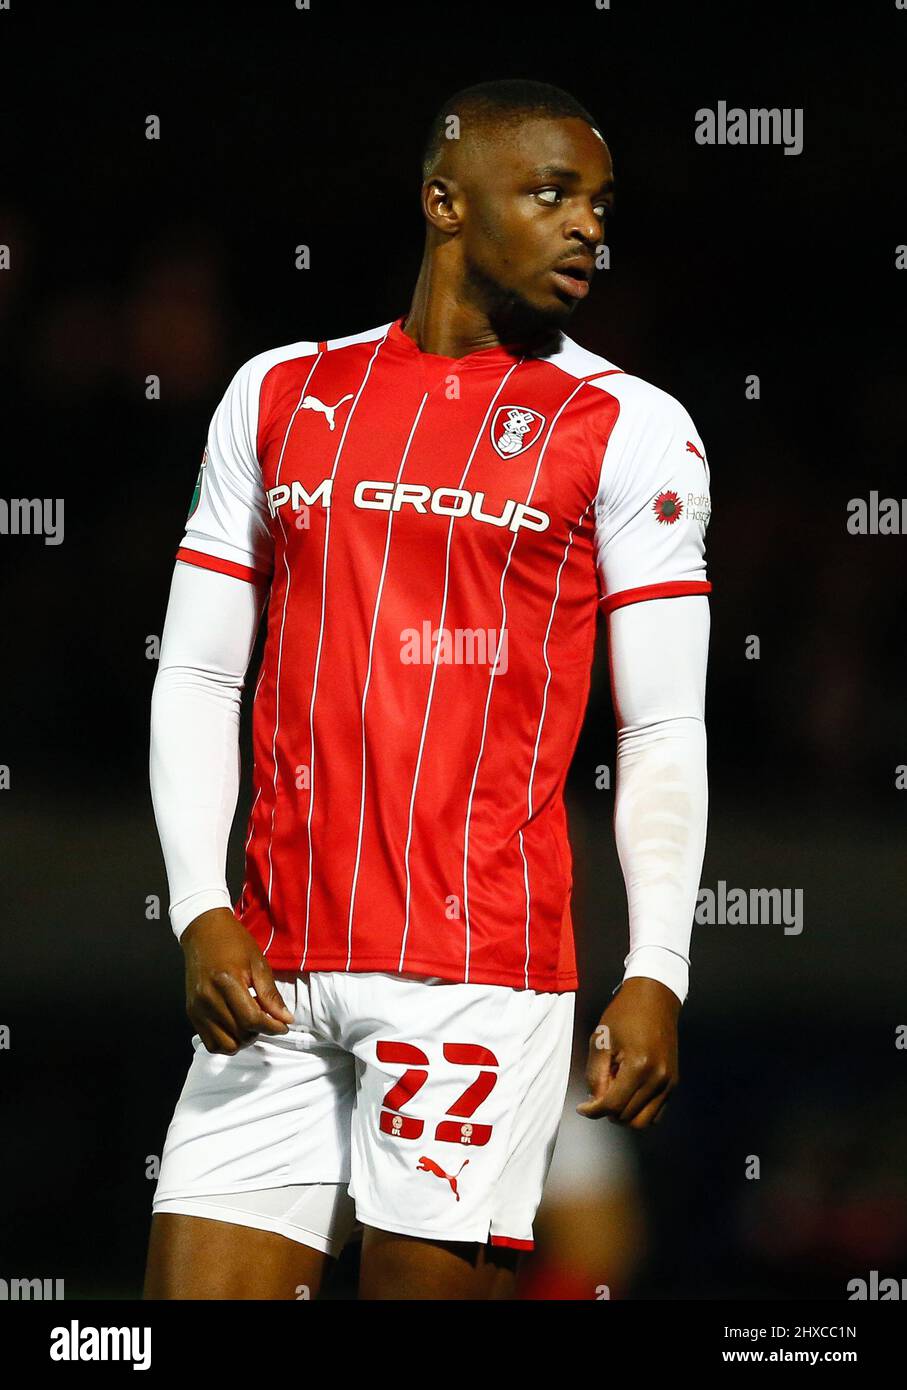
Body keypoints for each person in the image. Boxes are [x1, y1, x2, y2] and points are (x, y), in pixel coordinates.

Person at [144, 77, 711, 1301]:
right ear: (444, 202)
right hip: (270, 977)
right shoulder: (277, 395)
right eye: (552, 193)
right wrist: (197, 905)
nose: (588, 228)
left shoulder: (630, 427)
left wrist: (657, 967)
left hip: (478, 977)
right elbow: (194, 668)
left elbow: (662, 724)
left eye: (601, 204)